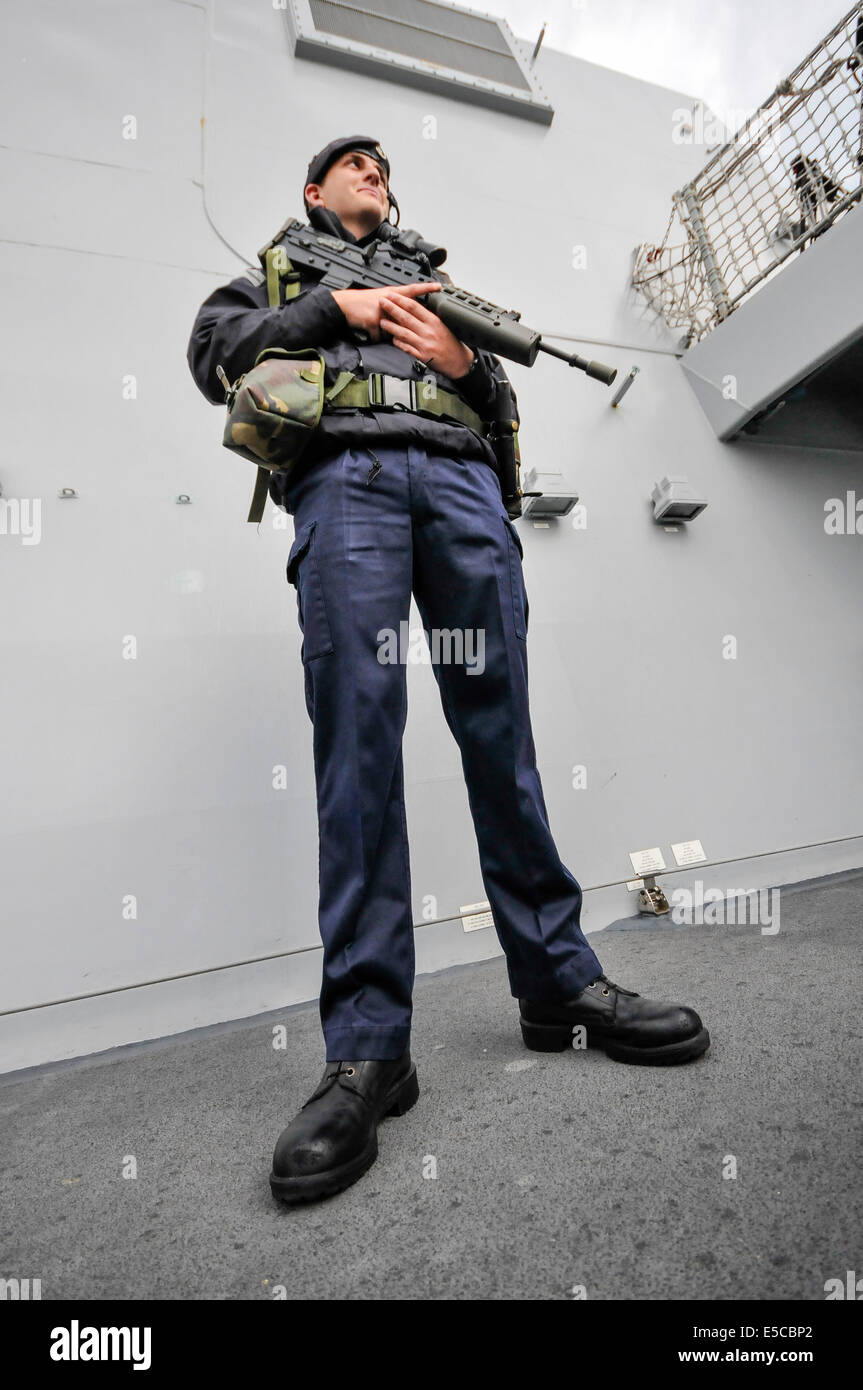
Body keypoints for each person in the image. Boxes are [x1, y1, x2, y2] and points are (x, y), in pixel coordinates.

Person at [187, 136, 711, 1207]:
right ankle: (371, 1050)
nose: (374, 171)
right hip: (350, 492)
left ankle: (558, 984)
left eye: (383, 165)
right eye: (352, 163)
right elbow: (218, 353)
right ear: (313, 189)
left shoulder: (439, 278)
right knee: (359, 746)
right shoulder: (278, 270)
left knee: (499, 739)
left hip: (463, 499)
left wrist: (468, 366)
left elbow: (501, 412)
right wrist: (342, 313)